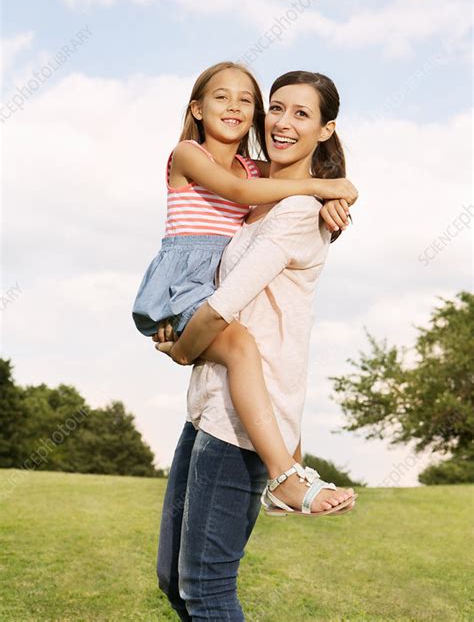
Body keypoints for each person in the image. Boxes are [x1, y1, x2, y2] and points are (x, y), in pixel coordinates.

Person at [155, 70, 358, 620]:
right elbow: (238, 190)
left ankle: (288, 478)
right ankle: (287, 473)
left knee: (207, 590)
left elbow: (222, 307)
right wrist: (334, 187)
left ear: (325, 130)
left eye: (302, 114)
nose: (283, 122)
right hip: (208, 408)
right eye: (277, 108)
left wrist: (181, 351)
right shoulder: (264, 196)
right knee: (174, 580)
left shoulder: (294, 211)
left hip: (242, 422)